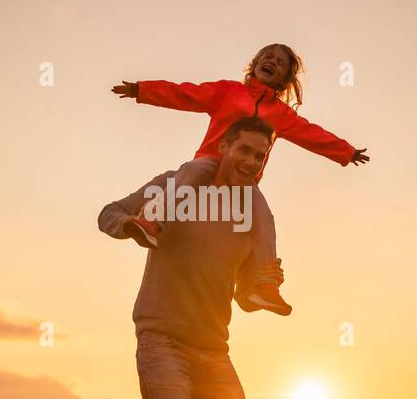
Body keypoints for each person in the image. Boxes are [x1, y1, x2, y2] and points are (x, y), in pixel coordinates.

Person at [98, 116, 282, 399]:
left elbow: (243, 298)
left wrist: (264, 286)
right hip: (161, 341)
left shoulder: (253, 216)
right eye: (245, 151)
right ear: (223, 146)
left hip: (213, 351)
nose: (252, 163)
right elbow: (109, 214)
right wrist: (135, 227)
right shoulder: (176, 190)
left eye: (261, 157)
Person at [112, 42, 369, 316]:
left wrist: (346, 151)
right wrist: (143, 90)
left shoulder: (282, 115)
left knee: (263, 216)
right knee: (188, 173)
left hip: (245, 178)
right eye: (267, 56)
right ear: (255, 62)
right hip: (210, 160)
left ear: (285, 80)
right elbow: (187, 94)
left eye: (280, 63)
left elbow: (311, 134)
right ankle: (151, 221)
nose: (272, 61)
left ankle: (262, 285)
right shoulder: (228, 91)